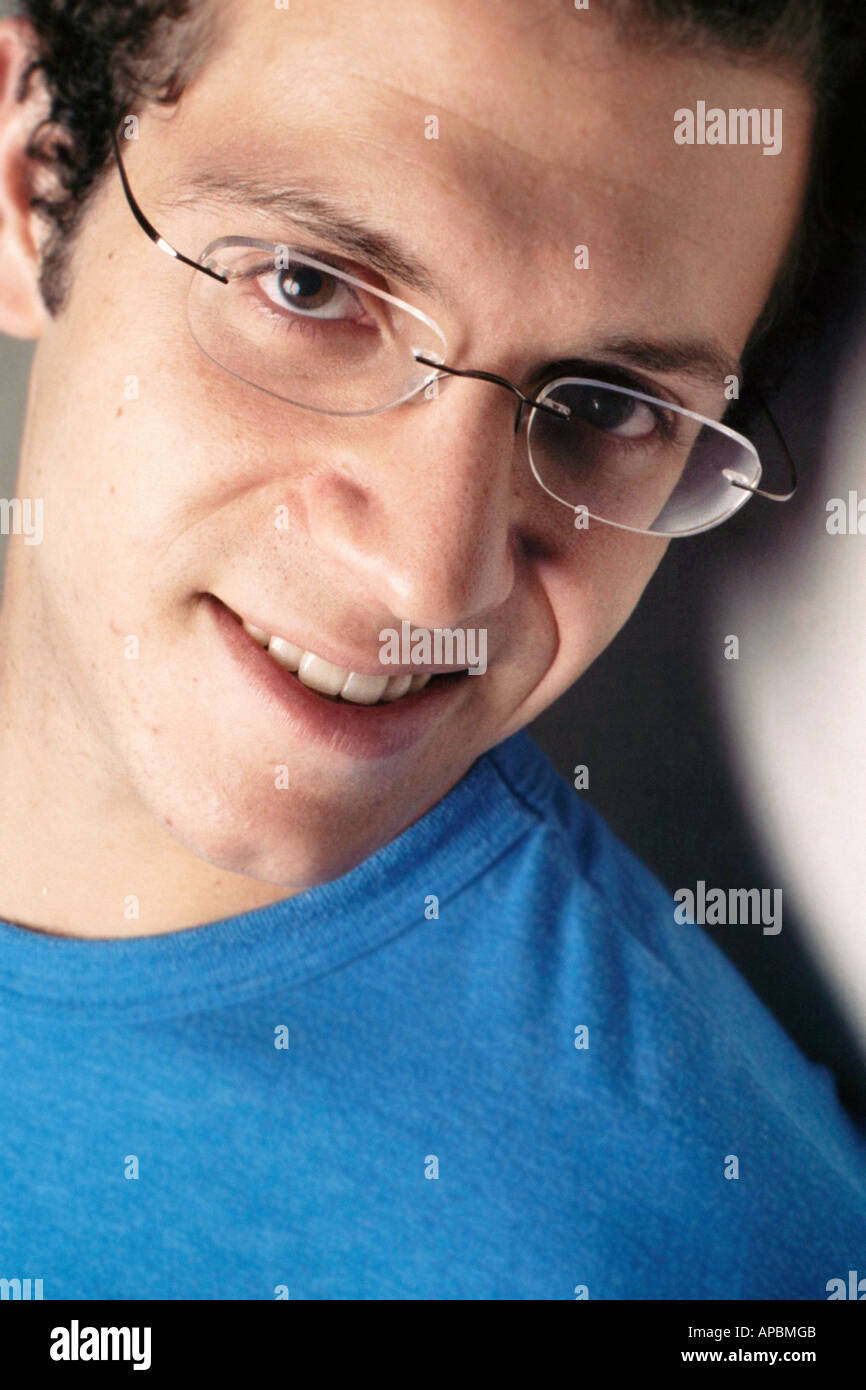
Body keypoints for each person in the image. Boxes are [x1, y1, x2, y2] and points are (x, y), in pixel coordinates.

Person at [0, 0, 863, 1300]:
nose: (427, 575)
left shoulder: (698, 1255)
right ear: (31, 171)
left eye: (608, 408)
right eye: (311, 286)